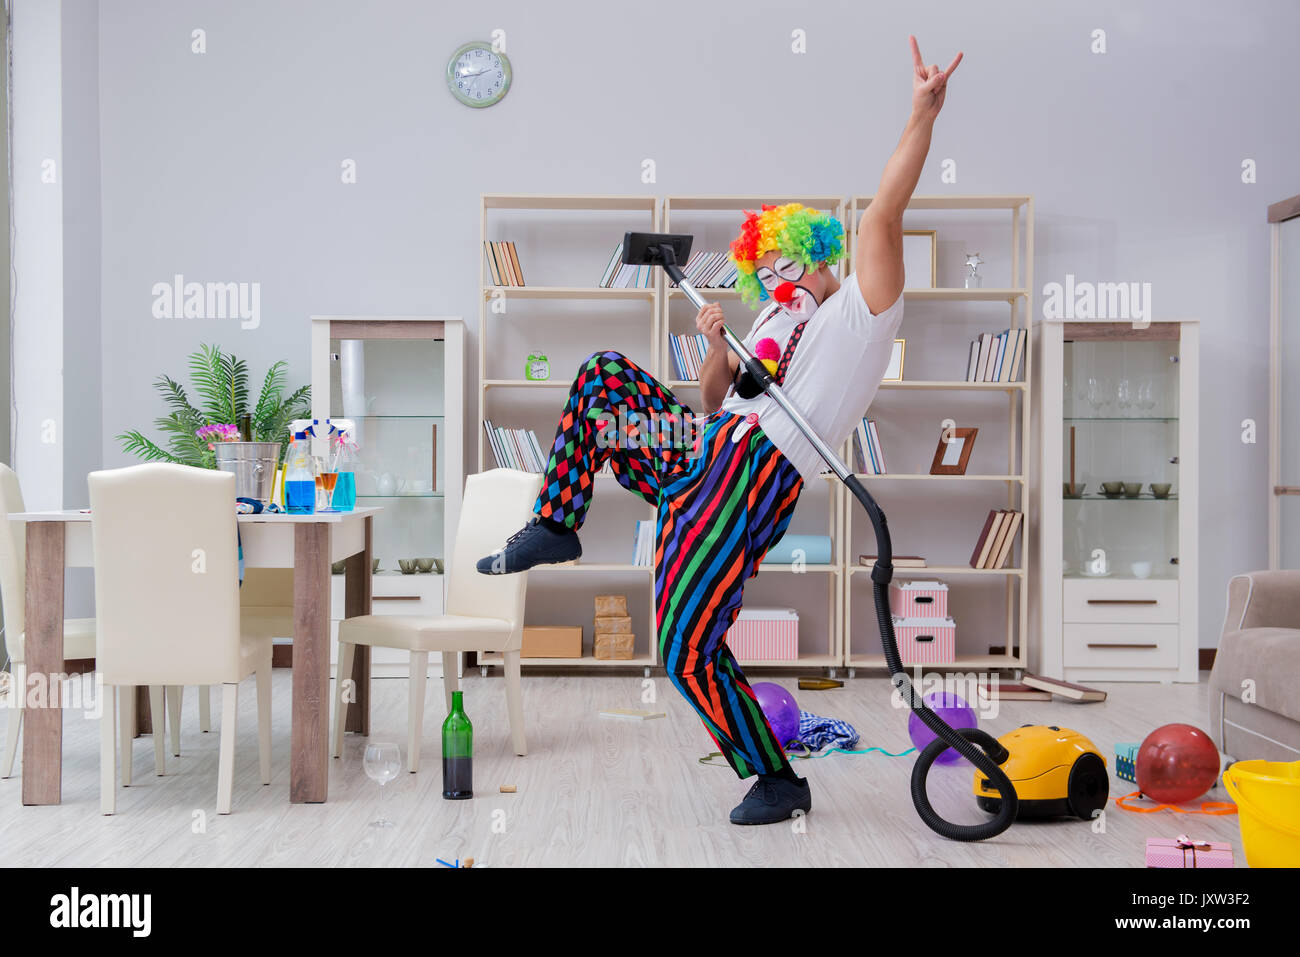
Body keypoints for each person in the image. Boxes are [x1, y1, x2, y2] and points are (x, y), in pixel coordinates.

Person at [478, 37, 962, 825]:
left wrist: (920, 116)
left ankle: (776, 779)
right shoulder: (768, 320)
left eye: (788, 261)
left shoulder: (860, 313)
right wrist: (714, 343)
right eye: (764, 266)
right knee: (605, 375)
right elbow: (711, 400)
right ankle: (557, 523)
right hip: (705, 447)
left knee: (684, 648)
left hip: (753, 474)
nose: (776, 276)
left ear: (821, 256)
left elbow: (885, 210)